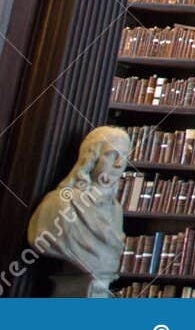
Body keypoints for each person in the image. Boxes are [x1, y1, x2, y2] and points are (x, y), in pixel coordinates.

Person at [28, 126, 132, 297]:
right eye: (111, 155)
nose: (119, 164)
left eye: (124, 156)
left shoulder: (116, 211)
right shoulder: (60, 202)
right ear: (91, 157)